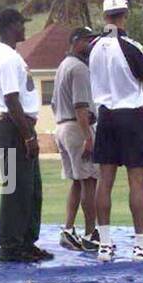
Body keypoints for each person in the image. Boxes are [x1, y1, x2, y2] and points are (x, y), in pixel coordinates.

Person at [88, 0, 143, 262]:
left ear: (104, 16)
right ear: (125, 15)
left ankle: (105, 243)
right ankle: (141, 243)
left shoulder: (93, 47)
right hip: (131, 115)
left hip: (105, 115)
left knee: (105, 180)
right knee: (137, 181)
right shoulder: (132, 47)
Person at [0, 8, 50, 263]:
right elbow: (11, 99)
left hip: (20, 126)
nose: (25, 28)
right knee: (16, 189)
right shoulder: (6, 58)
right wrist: (28, 136)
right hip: (14, 127)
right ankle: (11, 246)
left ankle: (26, 241)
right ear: (11, 26)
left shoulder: (12, 56)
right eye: (21, 24)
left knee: (31, 188)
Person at [51, 27, 100, 251]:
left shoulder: (63, 65)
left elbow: (53, 104)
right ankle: (91, 233)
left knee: (77, 182)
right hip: (77, 127)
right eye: (88, 40)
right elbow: (81, 107)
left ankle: (69, 229)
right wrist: (88, 137)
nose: (91, 44)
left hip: (61, 126)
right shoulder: (79, 68)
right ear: (76, 41)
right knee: (89, 181)